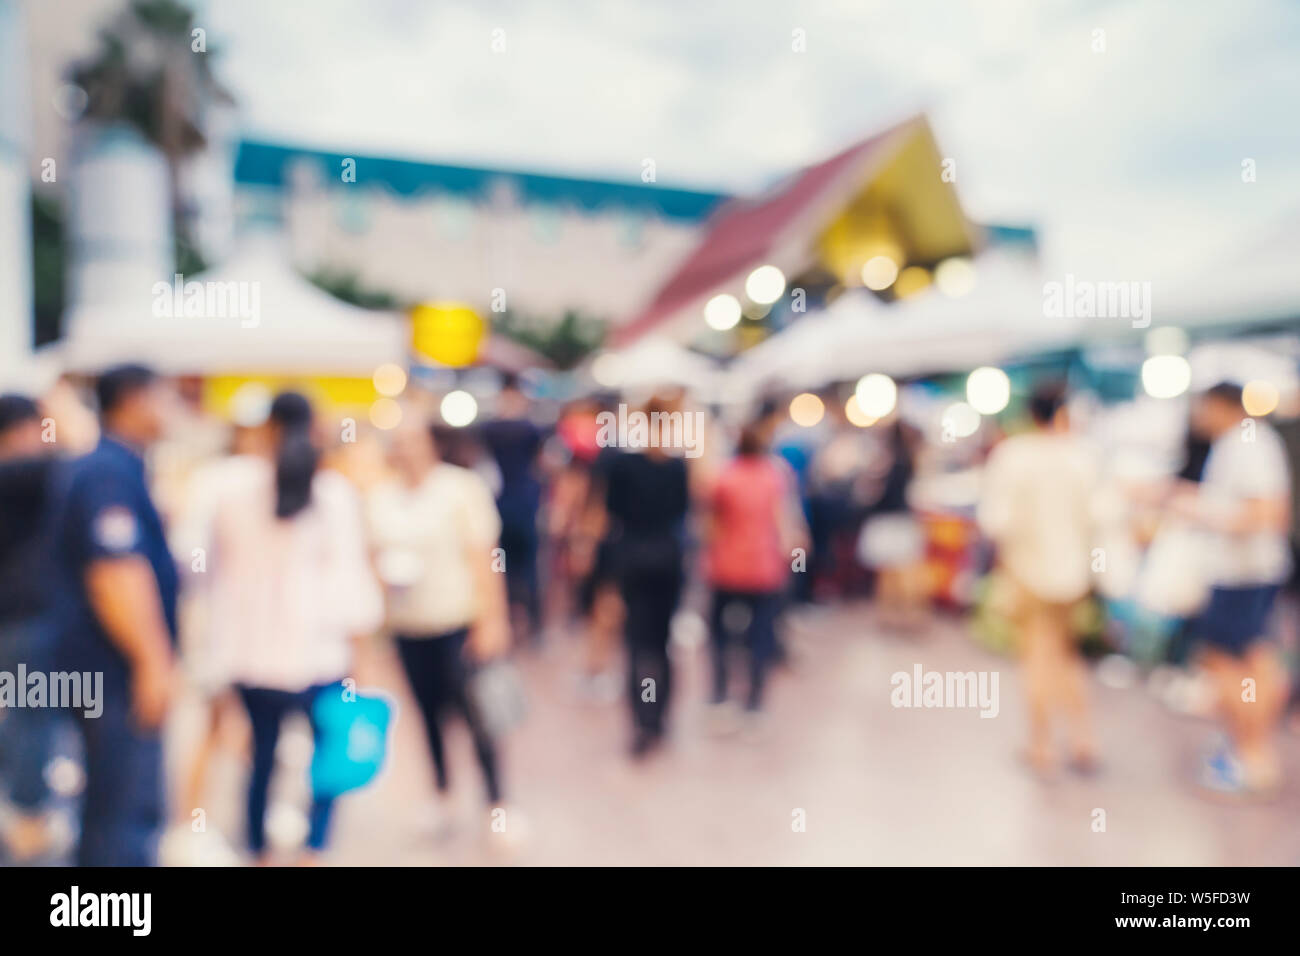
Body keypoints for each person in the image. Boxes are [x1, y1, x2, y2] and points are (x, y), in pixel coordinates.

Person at [208, 392, 382, 863]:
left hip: (253, 655)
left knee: (261, 760)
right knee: (328, 754)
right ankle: (314, 848)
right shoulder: (335, 495)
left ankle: (259, 850)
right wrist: (363, 657)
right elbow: (352, 585)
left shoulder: (232, 493)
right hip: (321, 653)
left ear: (266, 430)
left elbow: (216, 579)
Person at [50, 365, 178, 866]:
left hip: (101, 668)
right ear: (134, 400)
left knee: (109, 806)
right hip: (112, 672)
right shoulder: (108, 470)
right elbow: (115, 573)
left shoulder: (110, 466)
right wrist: (153, 662)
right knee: (125, 808)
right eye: (162, 398)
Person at [367, 415, 510, 830]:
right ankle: (442, 793)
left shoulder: (460, 489)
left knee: (478, 716)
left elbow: (484, 557)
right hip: (409, 625)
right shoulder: (381, 496)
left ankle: (497, 803)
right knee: (427, 715)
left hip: (458, 622)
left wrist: (492, 619)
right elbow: (373, 557)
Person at [1171, 382, 1292, 796]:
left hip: (1244, 574)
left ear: (1221, 405)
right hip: (1244, 573)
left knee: (1228, 663)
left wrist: (1201, 511)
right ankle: (1253, 755)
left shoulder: (1249, 445)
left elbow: (1268, 513)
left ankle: (1249, 756)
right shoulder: (1240, 444)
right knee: (1252, 661)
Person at [978, 383, 1099, 777]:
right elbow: (1104, 516)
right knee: (1066, 652)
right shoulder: (1083, 456)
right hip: (1075, 574)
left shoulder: (1013, 456)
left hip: (1028, 571)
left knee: (1037, 655)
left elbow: (996, 521)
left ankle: (1041, 743)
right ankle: (1082, 738)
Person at [600, 398, 690, 757]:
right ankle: (656, 718)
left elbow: (611, 517)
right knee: (660, 645)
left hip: (634, 561)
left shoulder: (623, 465)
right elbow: (683, 513)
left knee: (639, 646)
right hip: (665, 560)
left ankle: (643, 719)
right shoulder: (676, 467)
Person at [704, 421, 805, 729]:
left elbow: (711, 523)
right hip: (763, 569)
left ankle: (720, 697)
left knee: (720, 635)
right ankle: (754, 704)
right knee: (761, 636)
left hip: (726, 566)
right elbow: (786, 522)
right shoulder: (774, 476)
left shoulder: (725, 476)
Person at [0, 395, 65, 861]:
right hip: (25, 621)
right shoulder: (17, 474)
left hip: (19, 620)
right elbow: (70, 459)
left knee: (25, 718)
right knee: (32, 719)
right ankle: (27, 818)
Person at [480, 375, 545, 645]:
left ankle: (513, 619)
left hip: (505, 506)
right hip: (516, 506)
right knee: (523, 567)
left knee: (506, 566)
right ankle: (527, 623)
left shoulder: (490, 429)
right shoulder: (530, 429)